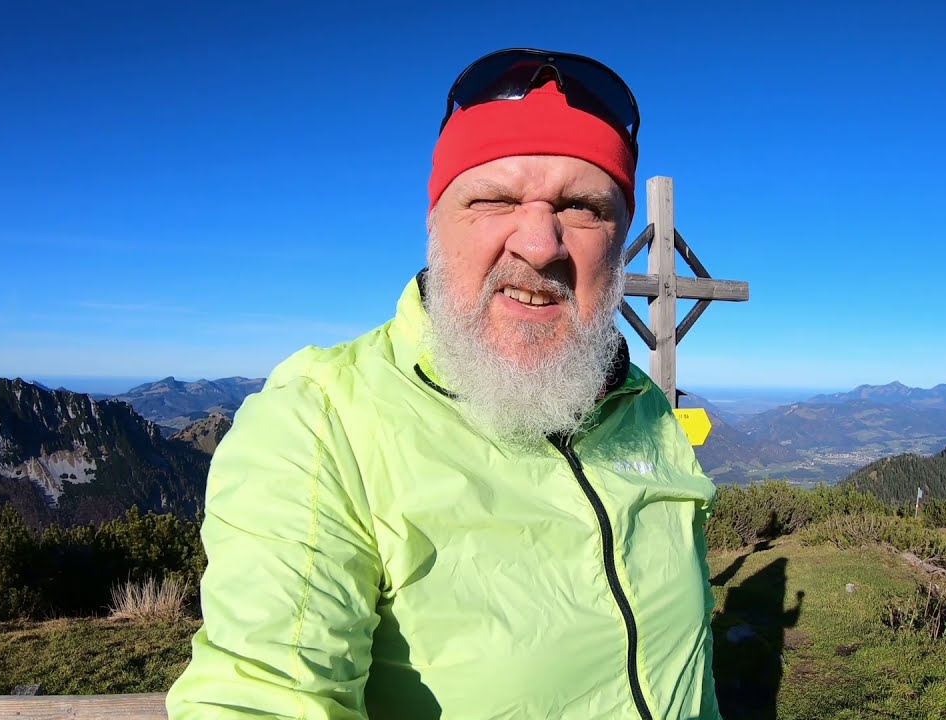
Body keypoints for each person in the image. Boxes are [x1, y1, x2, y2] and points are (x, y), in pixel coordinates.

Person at [165, 47, 721, 720]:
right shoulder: (320, 423)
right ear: (435, 223)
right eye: (495, 200)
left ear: (619, 239)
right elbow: (260, 694)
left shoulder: (642, 406)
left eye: (582, 207)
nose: (539, 244)